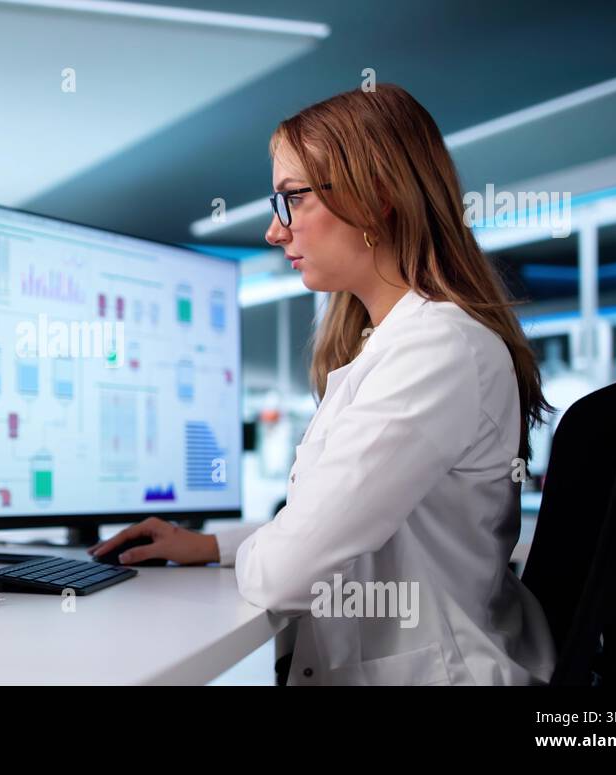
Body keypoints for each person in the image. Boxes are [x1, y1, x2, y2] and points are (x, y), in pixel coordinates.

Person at [89, 85, 557, 685]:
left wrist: (271, 546)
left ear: (378, 197)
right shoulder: (401, 342)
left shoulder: (436, 349)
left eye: (292, 200)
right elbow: (335, 523)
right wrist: (210, 545)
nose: (275, 232)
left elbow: (287, 570)